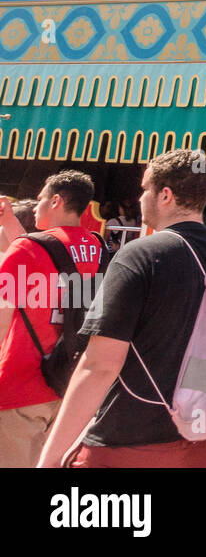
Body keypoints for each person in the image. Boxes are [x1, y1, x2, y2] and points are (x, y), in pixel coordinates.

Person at [37, 151, 206, 467]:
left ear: (165, 195)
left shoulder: (138, 255)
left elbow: (99, 366)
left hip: (132, 440)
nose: (139, 197)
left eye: (145, 188)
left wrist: (50, 458)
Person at [0, 172, 103, 468]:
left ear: (56, 200)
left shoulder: (27, 249)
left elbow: (3, 312)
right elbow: (46, 255)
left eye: (42, 199)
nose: (35, 207)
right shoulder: (98, 248)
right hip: (68, 385)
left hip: (19, 383)